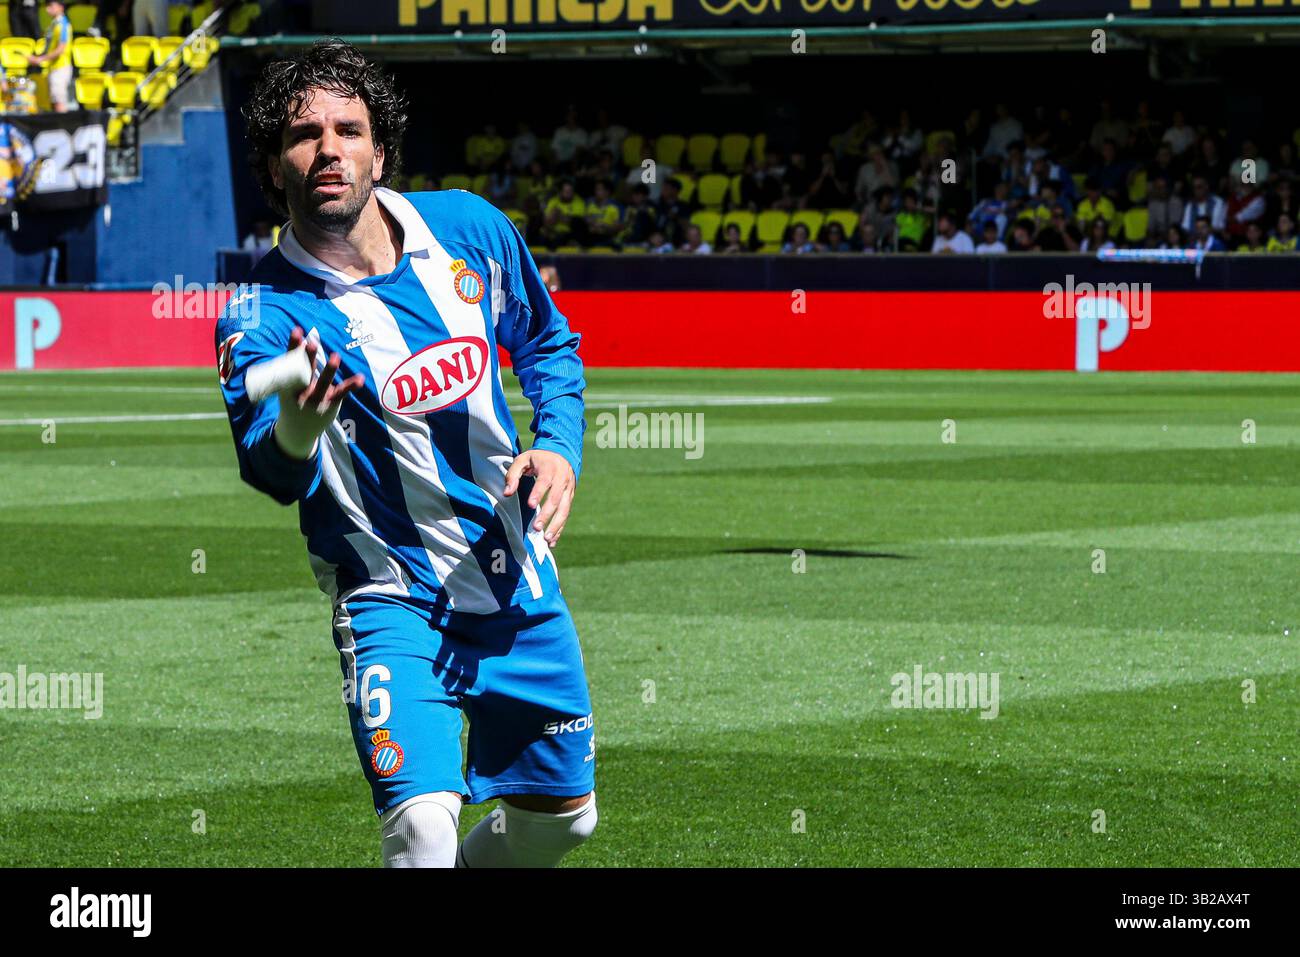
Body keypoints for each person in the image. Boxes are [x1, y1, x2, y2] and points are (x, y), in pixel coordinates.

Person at [216, 40, 597, 869]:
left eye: (348, 129)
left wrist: (558, 446)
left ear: (379, 151)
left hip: (513, 574)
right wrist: (298, 429)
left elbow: (548, 347)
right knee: (423, 828)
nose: (328, 149)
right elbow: (267, 468)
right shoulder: (259, 317)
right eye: (302, 134)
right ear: (272, 163)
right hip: (387, 596)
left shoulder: (469, 229)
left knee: (565, 819)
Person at [27, 1, 72, 114]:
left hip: (60, 68)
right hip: (53, 68)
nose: (47, 9)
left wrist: (40, 59)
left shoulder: (63, 24)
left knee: (59, 102)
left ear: (61, 7)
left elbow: (61, 49)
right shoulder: (54, 24)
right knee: (53, 102)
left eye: (51, 6)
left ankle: (62, 128)